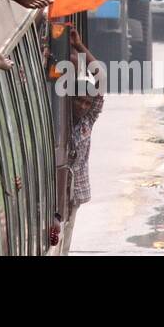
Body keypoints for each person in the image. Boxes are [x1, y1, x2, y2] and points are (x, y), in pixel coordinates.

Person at [62, 25, 104, 255]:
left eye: (87, 103)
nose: (82, 106)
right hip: (56, 188)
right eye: (79, 101)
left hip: (75, 190)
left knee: (67, 234)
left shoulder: (88, 121)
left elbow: (101, 78)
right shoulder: (61, 119)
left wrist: (79, 46)